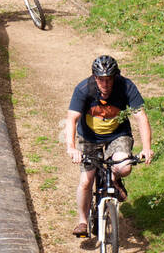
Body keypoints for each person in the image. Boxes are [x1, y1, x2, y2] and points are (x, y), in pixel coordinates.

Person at [65, 55, 154, 238]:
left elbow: (141, 117)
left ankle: (114, 178)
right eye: (100, 79)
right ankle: (82, 221)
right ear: (94, 77)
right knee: (86, 181)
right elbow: (72, 119)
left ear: (116, 77)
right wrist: (72, 147)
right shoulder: (84, 89)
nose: (105, 84)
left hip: (118, 135)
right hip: (89, 137)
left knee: (125, 166)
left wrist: (146, 147)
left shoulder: (126, 87)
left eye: (109, 79)